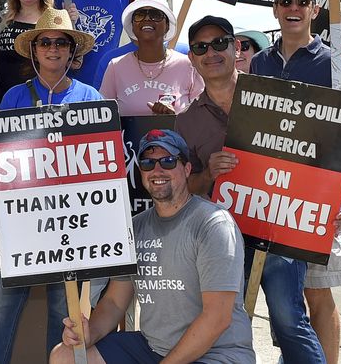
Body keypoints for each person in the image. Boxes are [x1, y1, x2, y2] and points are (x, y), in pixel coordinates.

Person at [248, 0, 341, 364]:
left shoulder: (336, 65)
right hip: (270, 199)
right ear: (275, 9)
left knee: (317, 294)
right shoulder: (259, 62)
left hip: (319, 200)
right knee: (279, 297)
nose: (293, 8)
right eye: (285, 1)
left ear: (315, 10)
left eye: (301, 1)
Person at [50, 129, 255, 364]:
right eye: (147, 163)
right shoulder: (136, 227)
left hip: (218, 353)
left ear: (187, 169)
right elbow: (115, 302)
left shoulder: (213, 223)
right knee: (65, 356)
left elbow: (217, 318)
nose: (157, 170)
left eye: (168, 161)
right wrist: (88, 335)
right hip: (154, 348)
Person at [0, 7, 101, 363]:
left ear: (71, 51)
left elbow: (100, 166)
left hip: (72, 227)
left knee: (62, 314)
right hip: (20, 224)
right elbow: (0, 159)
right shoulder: (15, 96)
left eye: (61, 42)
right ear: (34, 50)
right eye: (45, 41)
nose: (52, 48)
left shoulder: (90, 98)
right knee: (2, 309)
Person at [99, 0, 202, 116]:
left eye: (155, 14)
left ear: (167, 25)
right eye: (140, 15)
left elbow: (202, 117)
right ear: (133, 25)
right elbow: (104, 117)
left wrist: (173, 120)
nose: (147, 19)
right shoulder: (115, 67)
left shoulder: (189, 65)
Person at [174, 16, 242, 199]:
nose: (210, 53)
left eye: (219, 43)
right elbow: (185, 186)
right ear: (192, 58)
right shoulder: (186, 120)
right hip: (223, 224)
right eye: (200, 47)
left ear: (236, 48)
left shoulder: (273, 97)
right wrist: (208, 174)